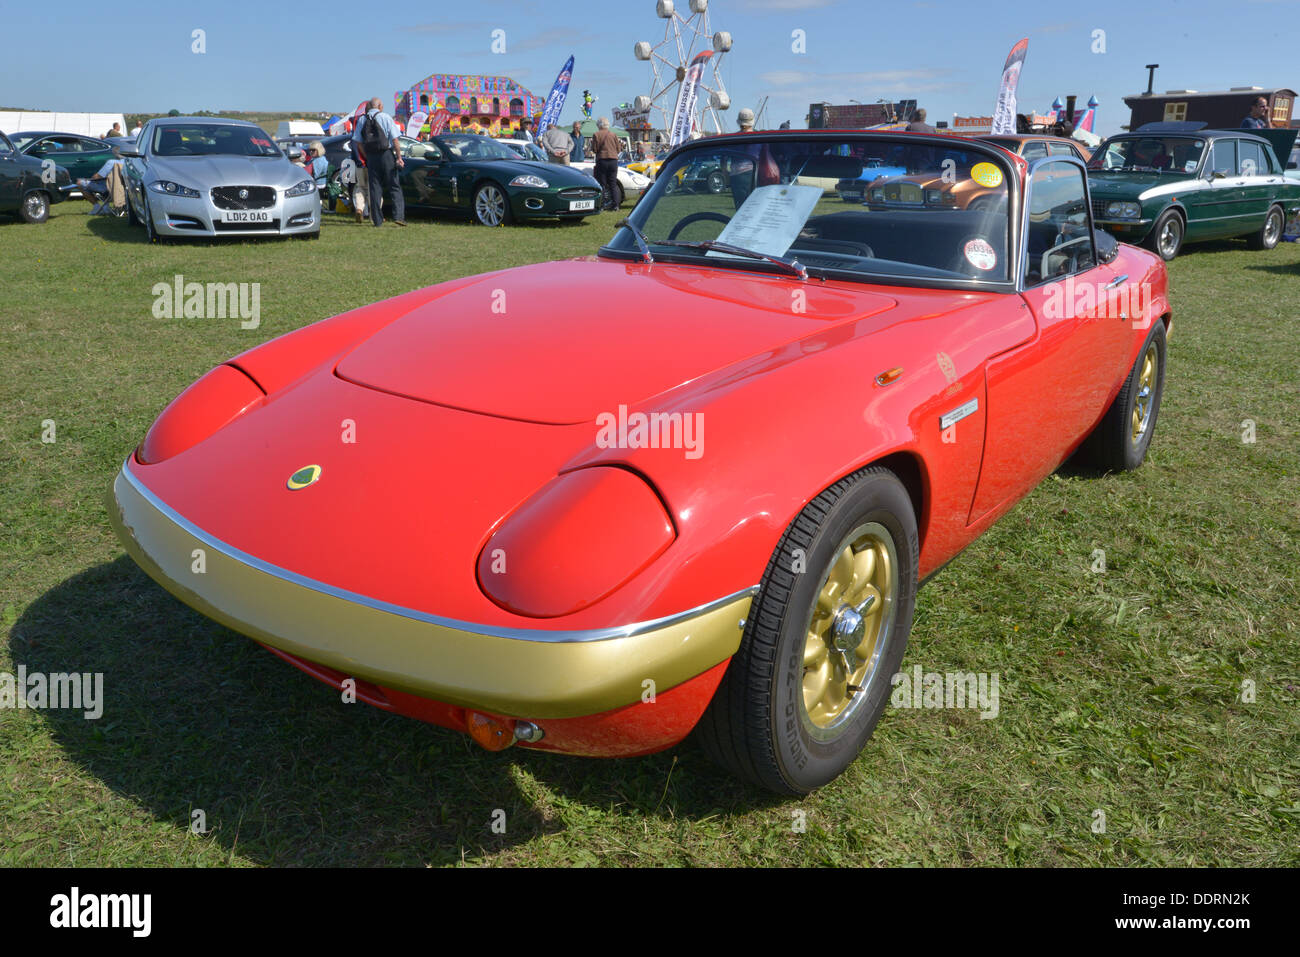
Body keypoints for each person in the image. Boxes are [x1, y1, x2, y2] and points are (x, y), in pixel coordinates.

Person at [351, 96, 405, 227]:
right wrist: (399, 157)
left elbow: (358, 142)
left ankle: (377, 220)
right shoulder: (386, 117)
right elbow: (395, 140)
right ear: (380, 106)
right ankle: (398, 216)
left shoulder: (362, 119)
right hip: (386, 155)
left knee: (375, 188)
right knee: (394, 186)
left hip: (372, 157)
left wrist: (367, 156)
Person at [591, 116, 621, 211]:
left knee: (602, 183)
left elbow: (595, 150)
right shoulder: (613, 134)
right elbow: (619, 149)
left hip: (602, 160)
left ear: (599, 125)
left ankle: (603, 205)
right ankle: (616, 205)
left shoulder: (596, 134)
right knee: (612, 183)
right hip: (613, 160)